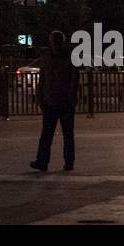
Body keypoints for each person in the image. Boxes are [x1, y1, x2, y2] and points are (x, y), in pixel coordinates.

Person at [30, 30, 79, 171]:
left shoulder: (64, 58)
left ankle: (51, 161)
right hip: (53, 101)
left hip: (60, 101)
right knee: (53, 134)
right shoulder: (61, 58)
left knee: (59, 134)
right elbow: (43, 79)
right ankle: (46, 161)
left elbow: (74, 80)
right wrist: (40, 97)